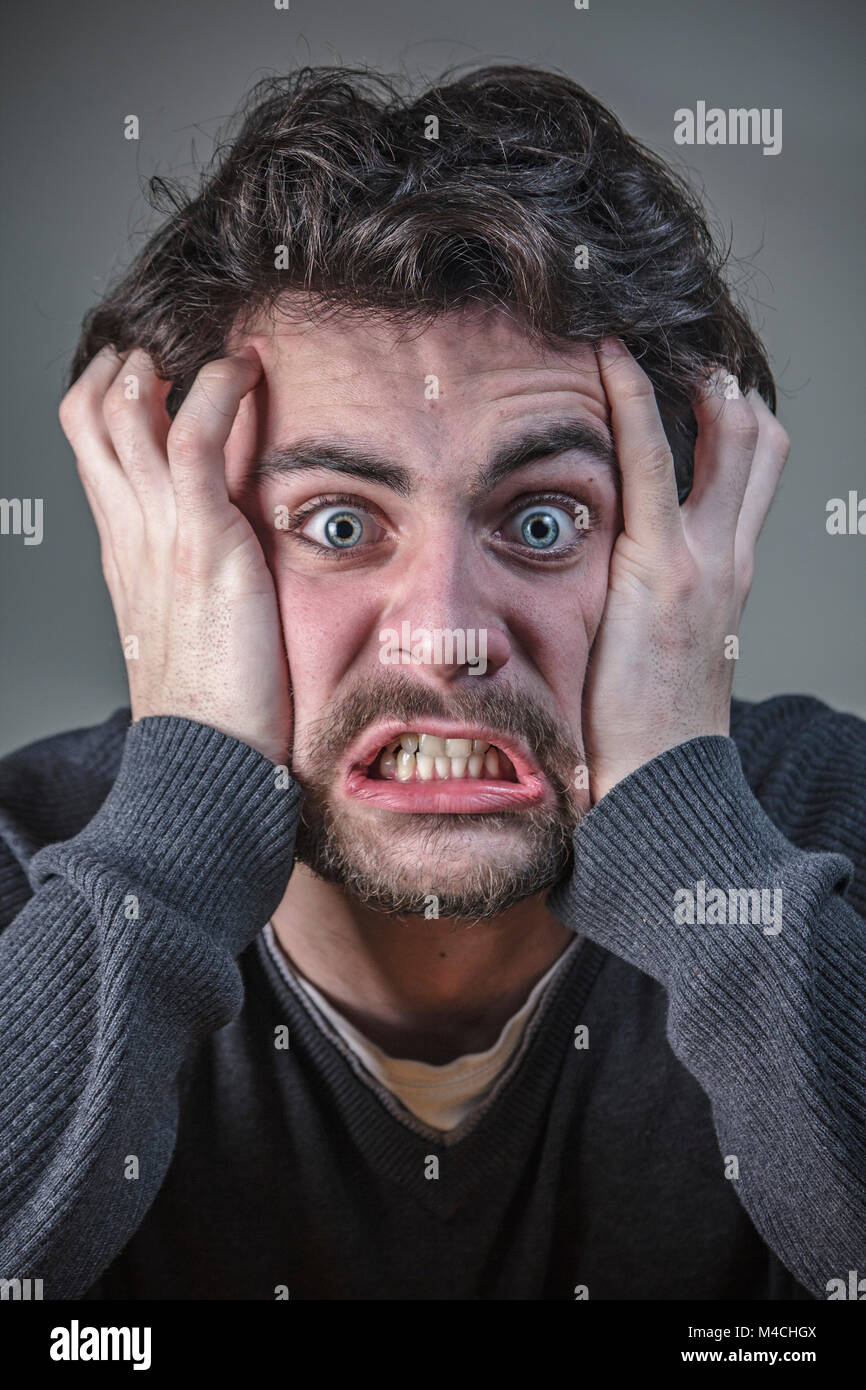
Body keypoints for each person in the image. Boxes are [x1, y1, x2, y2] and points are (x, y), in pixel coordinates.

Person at [1, 63, 863, 1301]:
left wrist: (695, 844)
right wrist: (178, 823)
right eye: (337, 526)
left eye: (547, 521)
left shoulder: (829, 832)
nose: (444, 638)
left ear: (692, 551)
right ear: (170, 549)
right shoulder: (24, 867)